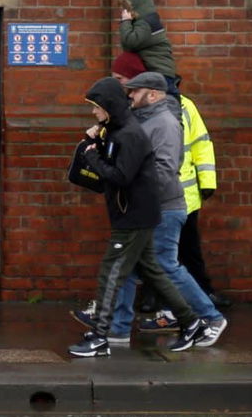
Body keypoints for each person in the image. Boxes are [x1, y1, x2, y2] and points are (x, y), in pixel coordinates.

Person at [68, 76, 204, 357]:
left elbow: (120, 175)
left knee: (112, 271)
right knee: (153, 271)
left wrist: (92, 157)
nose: (93, 113)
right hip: (133, 213)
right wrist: (91, 140)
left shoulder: (129, 134)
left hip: (134, 215)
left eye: (96, 108)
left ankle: (100, 335)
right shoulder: (118, 130)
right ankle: (191, 323)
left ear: (109, 106)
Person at [97, 72, 227, 347]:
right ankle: (118, 329)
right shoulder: (143, 120)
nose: (129, 95)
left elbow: (165, 170)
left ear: (153, 94)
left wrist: (131, 184)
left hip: (165, 208)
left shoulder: (165, 124)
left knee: (166, 266)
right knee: (131, 267)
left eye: (135, 90)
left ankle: (210, 317)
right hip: (148, 207)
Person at [113, 0, 178, 92]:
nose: (123, 11)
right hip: (156, 72)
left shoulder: (147, 23)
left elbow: (129, 43)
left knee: (165, 102)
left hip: (161, 74)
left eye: (125, 8)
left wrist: (126, 21)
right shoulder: (146, 21)